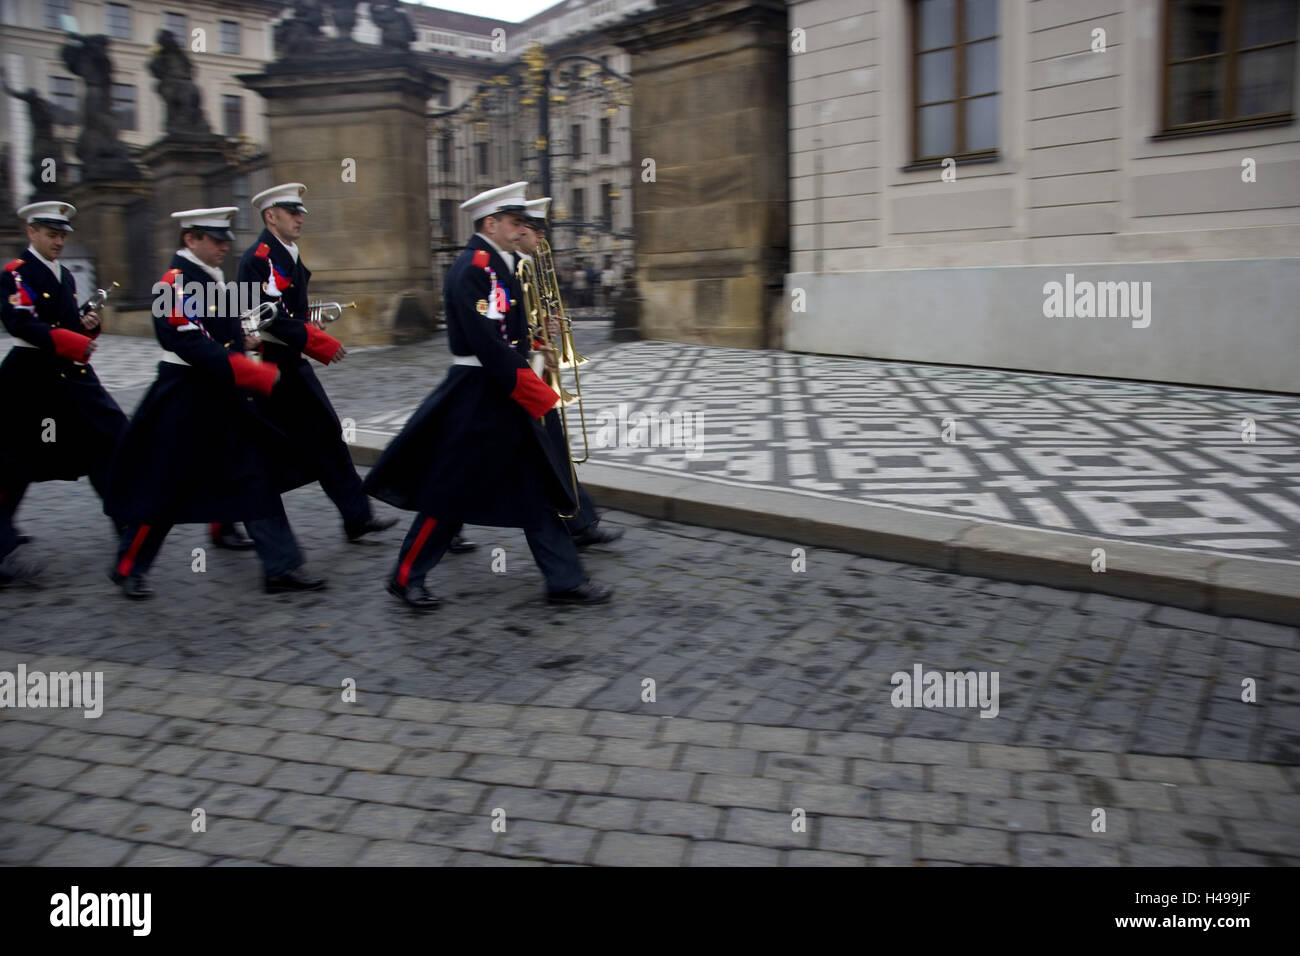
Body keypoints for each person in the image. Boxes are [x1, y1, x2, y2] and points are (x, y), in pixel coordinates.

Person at [364, 182, 612, 611]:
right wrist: (533, 389)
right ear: (491, 223)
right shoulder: (473, 268)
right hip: (480, 393)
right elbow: (486, 342)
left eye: (522, 224)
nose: (522, 231)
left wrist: (538, 341)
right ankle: (405, 577)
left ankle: (565, 580)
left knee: (536, 487)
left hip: (502, 389)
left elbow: (508, 336)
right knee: (450, 493)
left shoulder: (497, 267)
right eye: (515, 223)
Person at [103, 207, 324, 598]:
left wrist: (245, 340)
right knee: (164, 486)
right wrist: (247, 369)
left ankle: (281, 567)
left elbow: (221, 332)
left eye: (225, 239)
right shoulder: (170, 284)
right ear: (191, 239)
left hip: (223, 394)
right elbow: (187, 342)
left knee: (256, 476)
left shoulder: (212, 278)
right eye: (215, 239)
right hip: (185, 395)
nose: (224, 245)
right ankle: (128, 566)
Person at [235, 183, 395, 544]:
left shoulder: (288, 252)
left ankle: (357, 517)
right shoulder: (257, 258)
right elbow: (260, 317)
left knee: (326, 434)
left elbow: (289, 310)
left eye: (300, 212)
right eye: (292, 212)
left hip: (290, 364)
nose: (299, 218)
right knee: (257, 452)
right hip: (265, 366)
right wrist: (314, 338)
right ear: (270, 216)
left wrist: (311, 320)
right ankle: (226, 520)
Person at [0, 201, 127, 587]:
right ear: (31, 232)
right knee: (12, 464)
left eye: (62, 235)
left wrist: (86, 325)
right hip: (30, 381)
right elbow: (20, 323)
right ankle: (3, 549)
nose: (58, 241)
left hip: (71, 381)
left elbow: (67, 323)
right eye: (51, 234)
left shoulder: (66, 276)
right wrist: (71, 340)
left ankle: (128, 524)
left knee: (110, 442)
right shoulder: (15, 274)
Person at [517, 197, 623, 549]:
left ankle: (580, 523)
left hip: (533, 376)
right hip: (515, 379)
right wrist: (536, 340)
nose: (541, 236)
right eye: (535, 229)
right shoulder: (507, 270)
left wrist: (546, 329)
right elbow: (500, 331)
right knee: (483, 461)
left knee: (556, 449)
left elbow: (524, 323)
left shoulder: (526, 267)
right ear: (518, 231)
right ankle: (444, 520)